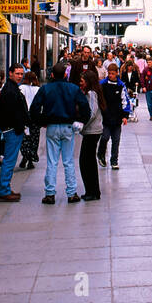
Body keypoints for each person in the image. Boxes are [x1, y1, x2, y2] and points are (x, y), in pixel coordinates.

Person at [30, 60, 90, 204]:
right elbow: (84, 107)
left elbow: (34, 109)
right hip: (68, 126)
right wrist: (80, 120)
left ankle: (50, 193)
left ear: (51, 74)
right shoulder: (73, 88)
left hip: (51, 126)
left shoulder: (45, 89)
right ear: (65, 74)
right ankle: (71, 192)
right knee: (68, 161)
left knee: (52, 161)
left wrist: (42, 122)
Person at [0, 64, 30, 202]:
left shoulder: (12, 88)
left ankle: (6, 188)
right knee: (9, 161)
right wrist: (18, 126)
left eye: (22, 74)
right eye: (17, 73)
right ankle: (4, 190)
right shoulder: (10, 90)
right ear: (10, 73)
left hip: (12, 128)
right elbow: (11, 112)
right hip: (12, 129)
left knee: (10, 160)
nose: (20, 76)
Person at [78, 64, 104, 201]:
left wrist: (82, 125)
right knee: (89, 161)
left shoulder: (91, 93)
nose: (80, 84)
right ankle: (92, 190)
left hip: (92, 131)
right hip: (92, 130)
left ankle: (92, 191)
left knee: (86, 162)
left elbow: (92, 113)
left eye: (82, 81)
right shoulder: (91, 92)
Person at [98, 61, 126, 170]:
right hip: (105, 117)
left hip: (117, 117)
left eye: (113, 74)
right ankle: (101, 154)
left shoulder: (121, 86)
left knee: (116, 140)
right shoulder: (102, 85)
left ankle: (114, 160)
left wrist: (125, 115)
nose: (111, 76)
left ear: (117, 73)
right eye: (109, 73)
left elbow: (125, 101)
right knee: (104, 137)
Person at [18, 64, 42, 169]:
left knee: (25, 138)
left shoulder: (21, 88)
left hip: (24, 116)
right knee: (34, 138)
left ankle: (25, 156)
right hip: (35, 116)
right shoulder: (38, 89)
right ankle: (31, 159)